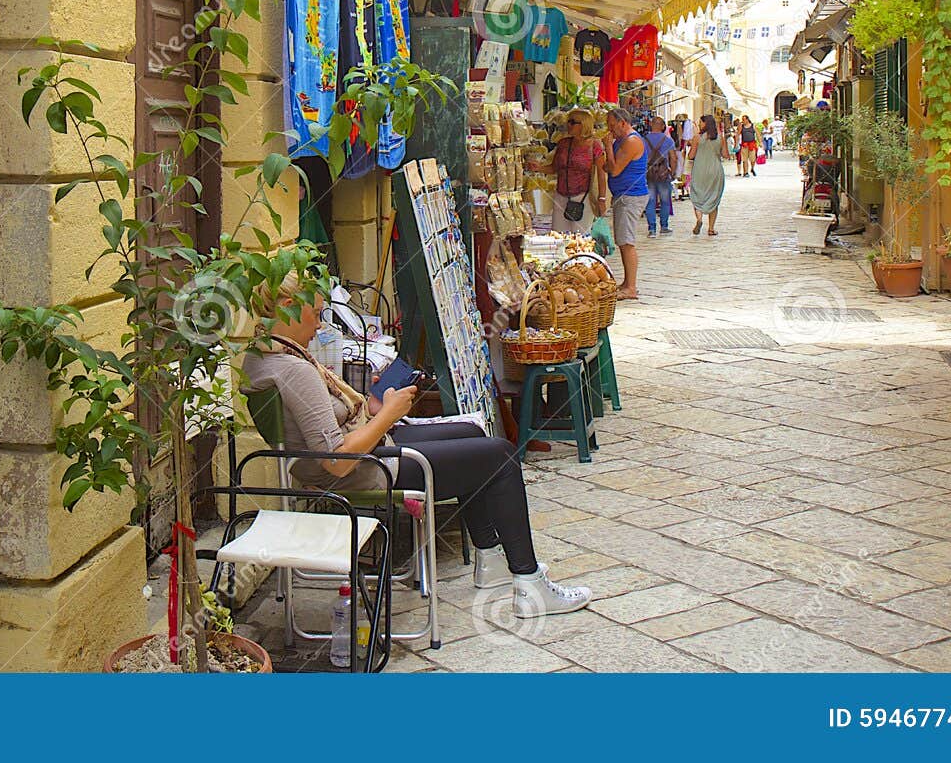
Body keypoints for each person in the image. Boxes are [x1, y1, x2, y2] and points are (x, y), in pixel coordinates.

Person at [242, 277, 592, 619]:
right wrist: (388, 414)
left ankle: (491, 558)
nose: (320, 325)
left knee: (471, 431)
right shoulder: (293, 369)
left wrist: (377, 411)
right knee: (499, 455)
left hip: (369, 454)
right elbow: (337, 460)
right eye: (315, 314)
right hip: (366, 471)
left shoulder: (266, 356)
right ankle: (530, 584)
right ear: (288, 307)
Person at [603, 107, 648, 298]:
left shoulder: (631, 141)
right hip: (623, 195)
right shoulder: (621, 141)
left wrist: (607, 147)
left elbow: (614, 169)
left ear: (623, 123)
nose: (610, 130)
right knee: (622, 240)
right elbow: (608, 165)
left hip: (630, 196)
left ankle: (631, 287)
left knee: (627, 241)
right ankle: (627, 282)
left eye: (612, 126)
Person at [550, 108, 607, 234]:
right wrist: (537, 168)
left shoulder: (594, 145)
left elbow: (601, 174)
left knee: (580, 237)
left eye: (572, 122)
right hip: (561, 196)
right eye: (568, 121)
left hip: (583, 197)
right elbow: (554, 168)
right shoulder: (563, 144)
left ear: (584, 124)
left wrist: (601, 199)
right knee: (557, 236)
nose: (568, 125)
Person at [688, 113, 727, 236]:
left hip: (700, 169)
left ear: (705, 123)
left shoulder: (697, 138)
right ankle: (711, 228)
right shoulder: (721, 137)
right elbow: (726, 155)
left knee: (697, 194)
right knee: (714, 197)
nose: (699, 124)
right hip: (715, 170)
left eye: (701, 122)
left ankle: (699, 219)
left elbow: (691, 156)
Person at [642, 116, 677, 238]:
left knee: (650, 201)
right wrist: (673, 171)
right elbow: (673, 157)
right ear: (663, 127)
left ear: (651, 125)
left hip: (648, 174)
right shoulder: (668, 140)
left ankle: (652, 229)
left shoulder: (643, 140)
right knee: (665, 201)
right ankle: (664, 226)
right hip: (663, 174)